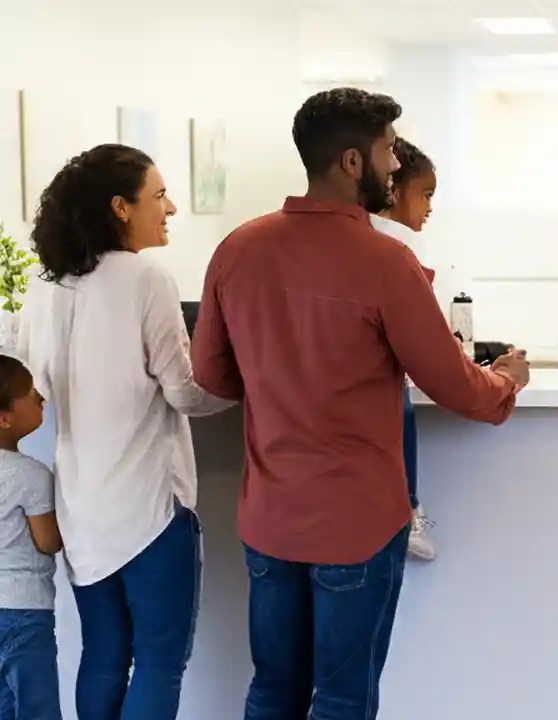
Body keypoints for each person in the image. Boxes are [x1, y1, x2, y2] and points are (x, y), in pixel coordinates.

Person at [190, 88, 530, 718]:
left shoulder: (237, 248)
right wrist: (508, 380)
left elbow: (211, 377)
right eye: (388, 152)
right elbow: (457, 387)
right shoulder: (386, 261)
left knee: (271, 689)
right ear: (352, 162)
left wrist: (279, 371)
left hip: (269, 519)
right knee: (342, 698)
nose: (396, 167)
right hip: (356, 524)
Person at [16, 143, 235, 720]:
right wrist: (246, 384)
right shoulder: (145, 278)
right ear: (120, 206)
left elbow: (32, 387)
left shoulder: (44, 286)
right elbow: (185, 393)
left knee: (104, 656)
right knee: (160, 662)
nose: (172, 208)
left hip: (81, 511)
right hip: (149, 509)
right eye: (159, 195)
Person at [370, 137, 439, 561]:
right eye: (426, 195)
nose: (430, 208)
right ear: (393, 190)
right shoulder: (396, 246)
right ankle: (409, 506)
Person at [0, 356, 62, 720]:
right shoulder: (31, 475)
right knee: (37, 710)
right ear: (4, 418)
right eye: (30, 392)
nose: (40, 396)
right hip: (25, 612)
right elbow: (48, 541)